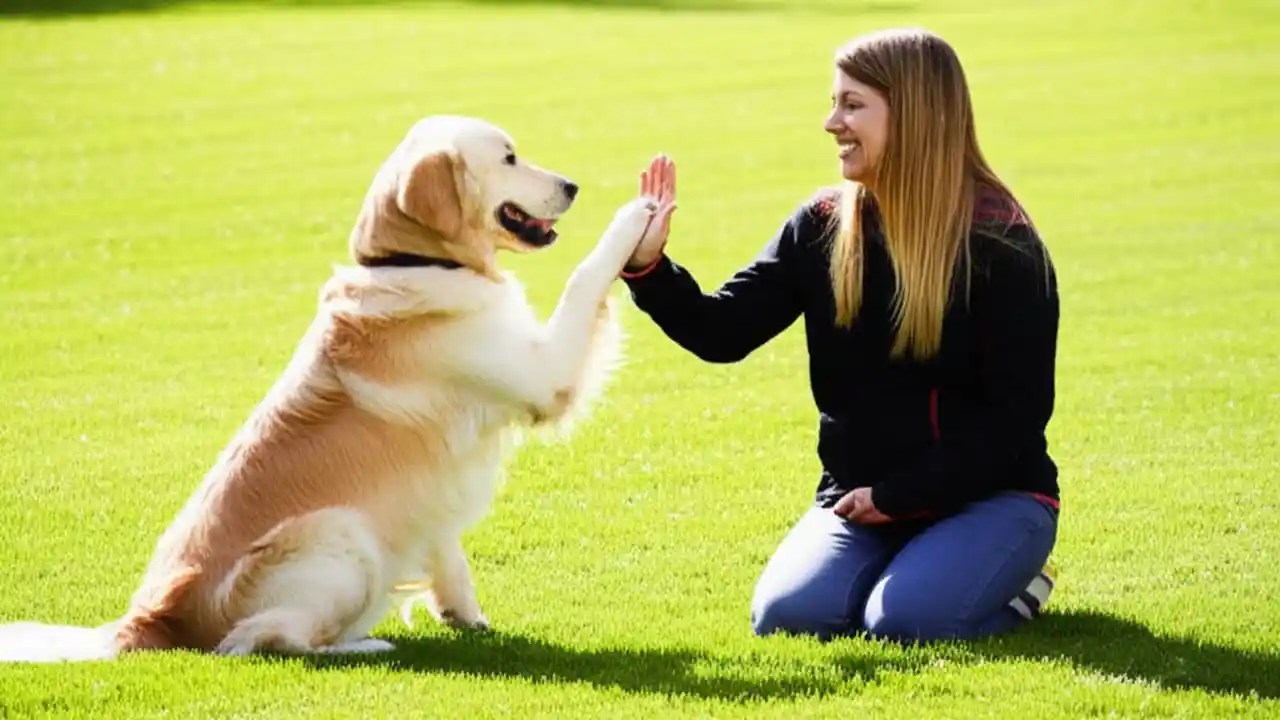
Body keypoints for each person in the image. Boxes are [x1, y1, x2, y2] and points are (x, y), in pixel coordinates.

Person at [620, 27, 1060, 642]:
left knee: (903, 622)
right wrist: (649, 267)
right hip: (861, 502)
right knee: (788, 619)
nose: (832, 123)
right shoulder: (822, 225)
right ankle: (925, 570)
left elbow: (1014, 422)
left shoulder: (1002, 245)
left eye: (852, 105)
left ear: (913, 115)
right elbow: (724, 331)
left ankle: (1020, 586)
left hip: (993, 498)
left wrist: (899, 495)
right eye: (834, 102)